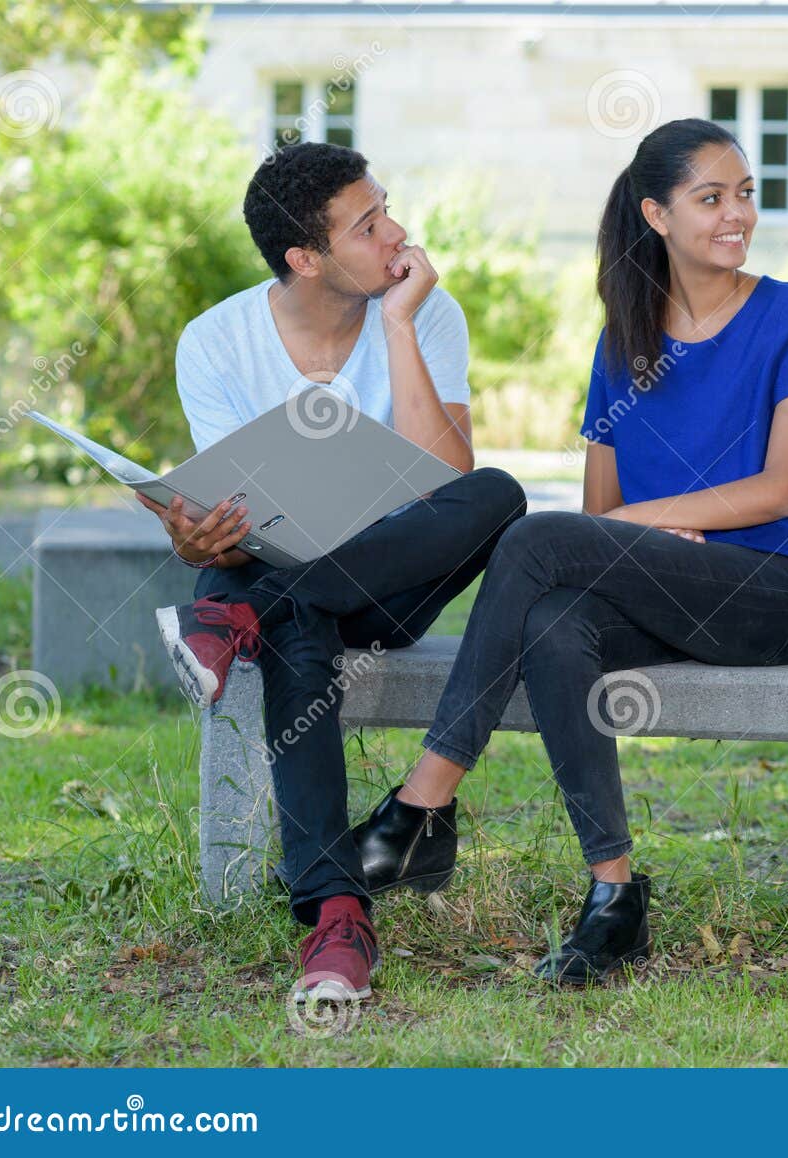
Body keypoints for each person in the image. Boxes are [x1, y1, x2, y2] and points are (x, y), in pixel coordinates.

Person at [376, 117, 788, 986]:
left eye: (744, 193)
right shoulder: (623, 338)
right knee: (555, 618)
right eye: (711, 197)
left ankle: (423, 802)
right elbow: (600, 518)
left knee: (532, 537)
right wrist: (639, 528)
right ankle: (614, 898)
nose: (737, 213)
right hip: (673, 588)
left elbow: (783, 489)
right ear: (656, 215)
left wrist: (642, 520)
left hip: (784, 588)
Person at [145, 142, 528, 1006]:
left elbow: (451, 478)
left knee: (499, 495)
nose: (396, 232)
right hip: (267, 579)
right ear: (305, 259)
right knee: (291, 624)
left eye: (385, 206)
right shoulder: (216, 341)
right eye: (368, 224)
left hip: (382, 587)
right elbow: (232, 528)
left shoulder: (427, 312)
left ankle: (237, 623)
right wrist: (200, 541)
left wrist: (398, 326)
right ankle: (335, 913)